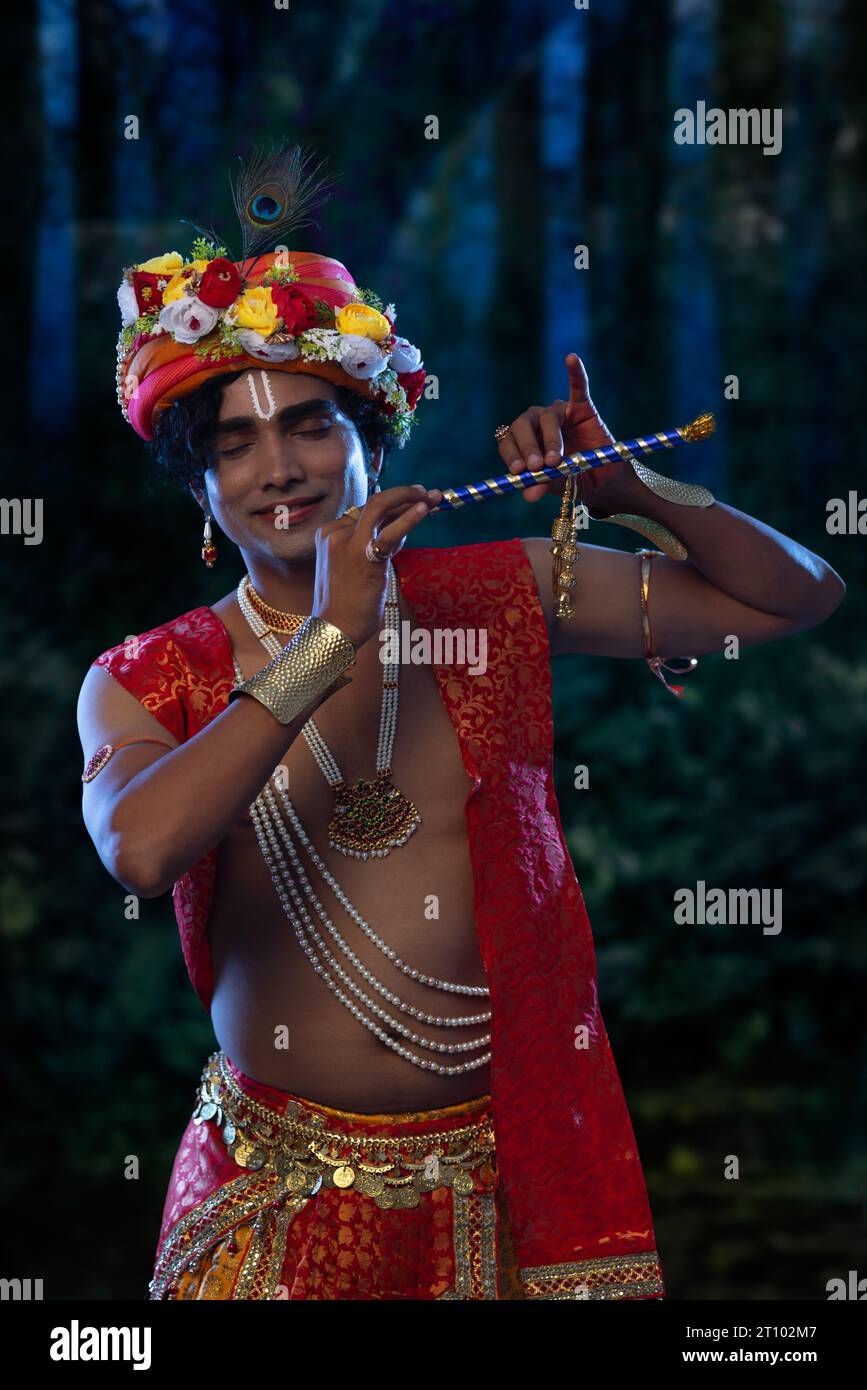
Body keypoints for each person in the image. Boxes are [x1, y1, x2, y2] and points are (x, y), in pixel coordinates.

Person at [77, 143, 845, 1301]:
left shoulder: (496, 598)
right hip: (268, 1205)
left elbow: (792, 596)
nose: (280, 469)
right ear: (199, 488)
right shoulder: (149, 675)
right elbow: (141, 848)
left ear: (372, 443)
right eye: (234, 444)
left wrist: (631, 489)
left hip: (495, 1195)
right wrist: (328, 643)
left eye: (312, 429)